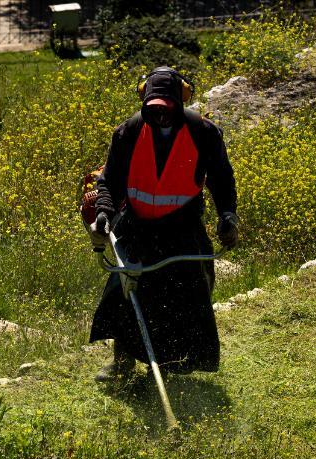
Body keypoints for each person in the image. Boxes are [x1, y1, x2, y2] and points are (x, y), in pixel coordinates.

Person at [88, 66, 239, 382]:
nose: (160, 116)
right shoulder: (128, 132)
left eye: (167, 109)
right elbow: (109, 181)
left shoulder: (203, 133)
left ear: (180, 103)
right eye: (153, 110)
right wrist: (103, 212)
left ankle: (171, 366)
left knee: (184, 297)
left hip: (183, 227)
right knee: (125, 293)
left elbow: (222, 179)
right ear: (144, 104)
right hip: (137, 226)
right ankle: (122, 364)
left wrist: (227, 215)